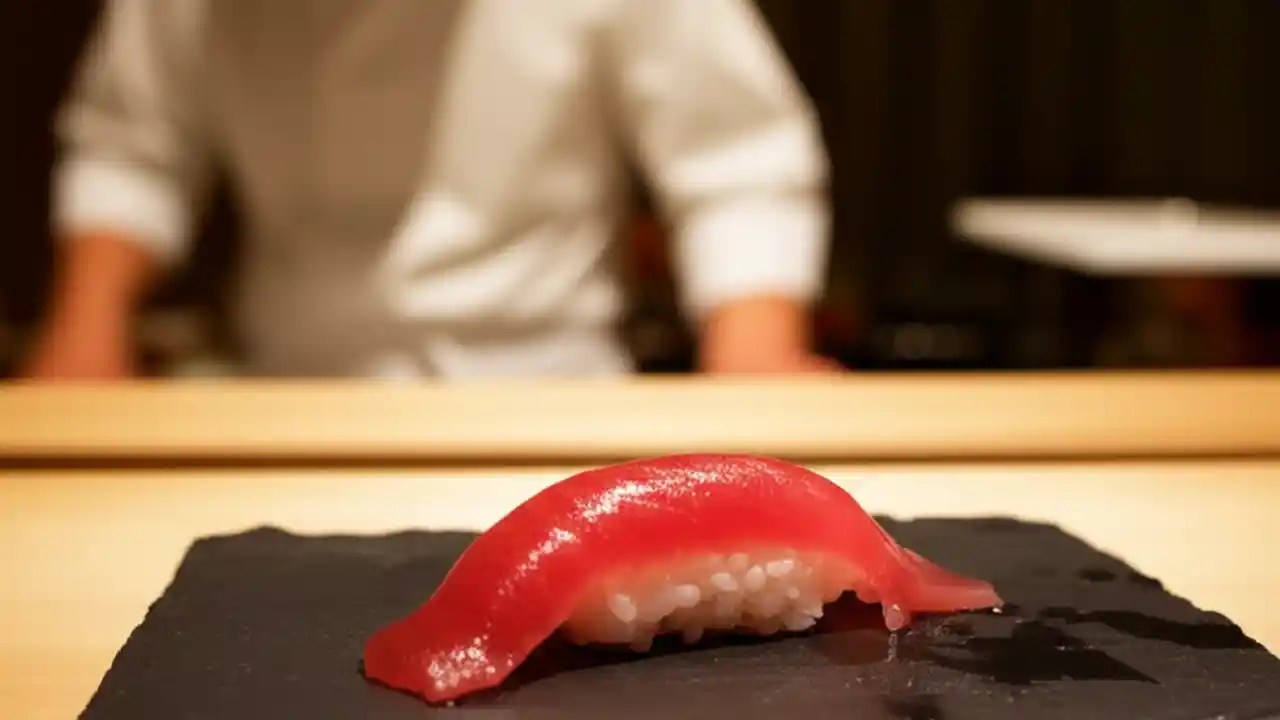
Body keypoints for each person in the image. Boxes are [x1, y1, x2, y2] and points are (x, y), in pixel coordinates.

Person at [24, 0, 833, 379]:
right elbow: (131, 147)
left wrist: (754, 346)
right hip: (288, 388)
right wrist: (85, 329)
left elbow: (738, 160)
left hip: (551, 388)